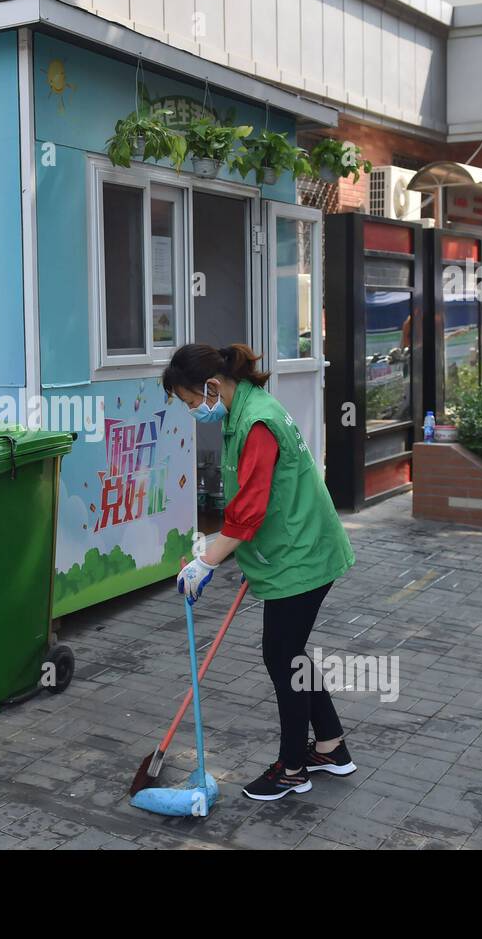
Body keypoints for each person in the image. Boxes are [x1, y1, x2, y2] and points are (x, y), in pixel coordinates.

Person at [164, 343, 357, 802]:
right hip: (297, 546)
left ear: (211, 387)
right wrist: (214, 550)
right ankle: (330, 747)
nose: (194, 412)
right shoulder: (244, 411)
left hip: (303, 554)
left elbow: (247, 513)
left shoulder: (255, 422)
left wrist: (206, 562)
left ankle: (292, 769)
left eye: (192, 403)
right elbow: (254, 502)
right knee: (290, 653)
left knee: (282, 657)